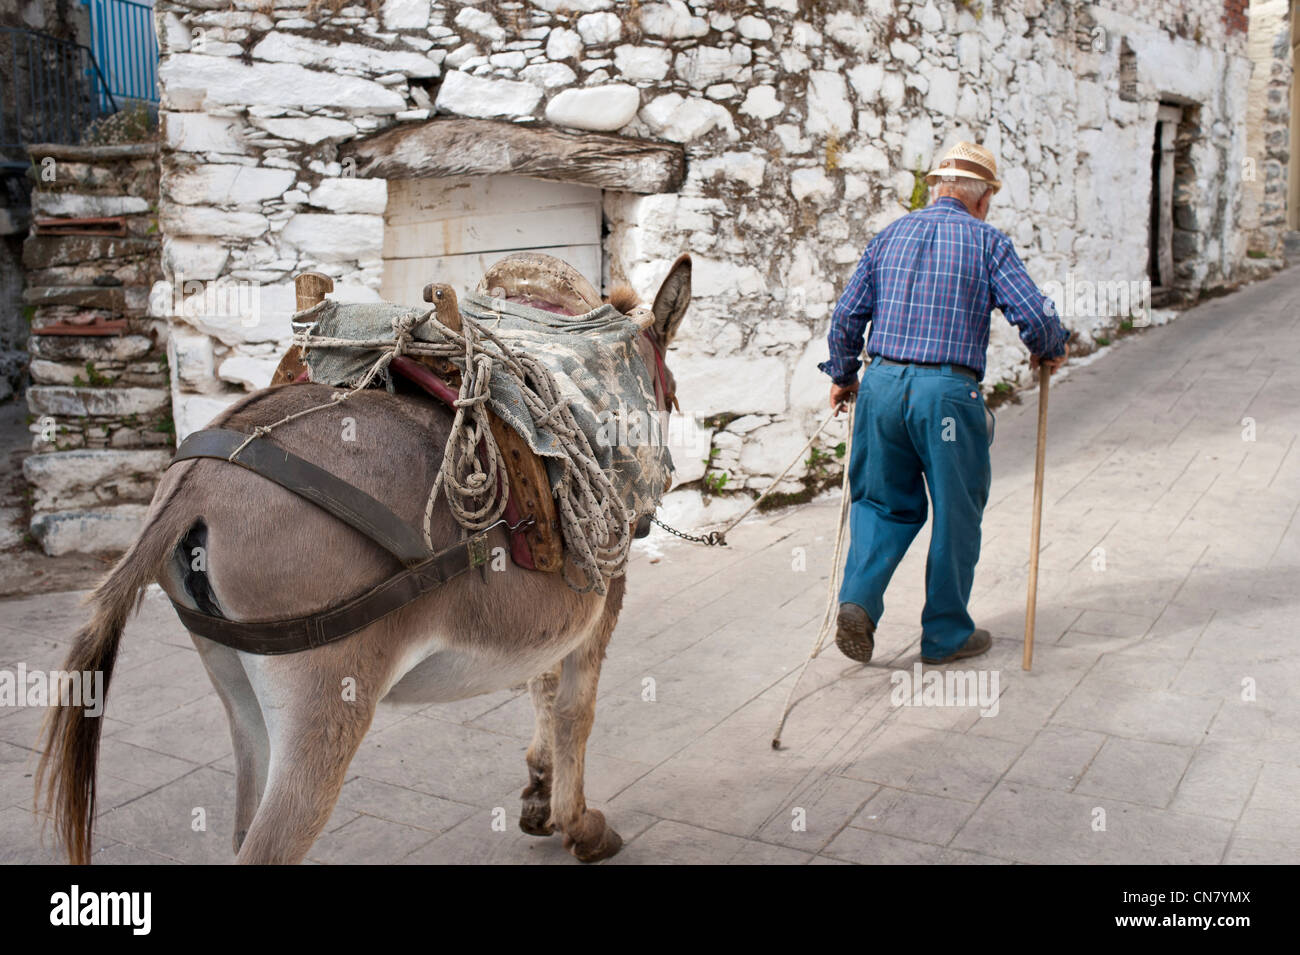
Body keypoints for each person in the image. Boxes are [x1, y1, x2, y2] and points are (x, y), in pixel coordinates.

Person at [819, 142, 1070, 666]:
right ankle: (945, 634)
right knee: (956, 513)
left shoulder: (890, 235)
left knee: (881, 502)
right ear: (983, 199)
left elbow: (845, 318)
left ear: (938, 187)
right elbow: (1036, 315)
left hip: (882, 385)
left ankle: (859, 600)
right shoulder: (987, 242)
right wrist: (1050, 348)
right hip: (947, 397)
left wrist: (844, 375)